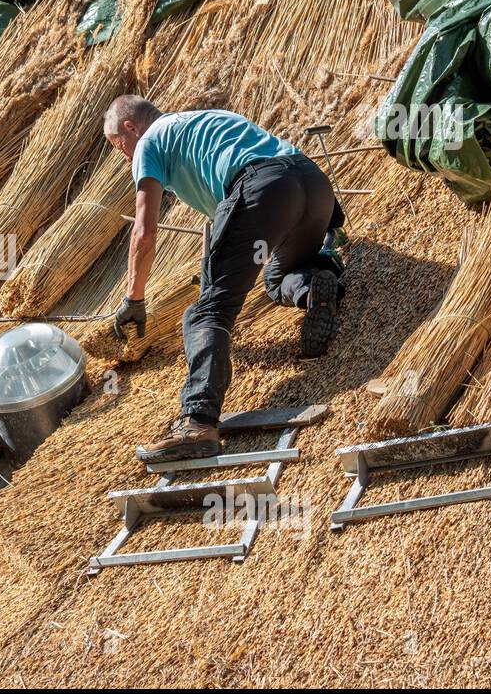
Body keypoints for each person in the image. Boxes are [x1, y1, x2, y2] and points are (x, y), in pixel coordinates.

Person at [103, 95, 344, 461]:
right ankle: (314, 288)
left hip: (263, 192)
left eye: (118, 145)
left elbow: (144, 231)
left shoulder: (149, 143)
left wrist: (134, 299)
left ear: (130, 128)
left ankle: (197, 421)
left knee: (205, 313)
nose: (123, 156)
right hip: (311, 186)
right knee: (276, 277)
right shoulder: (204, 120)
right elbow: (227, 218)